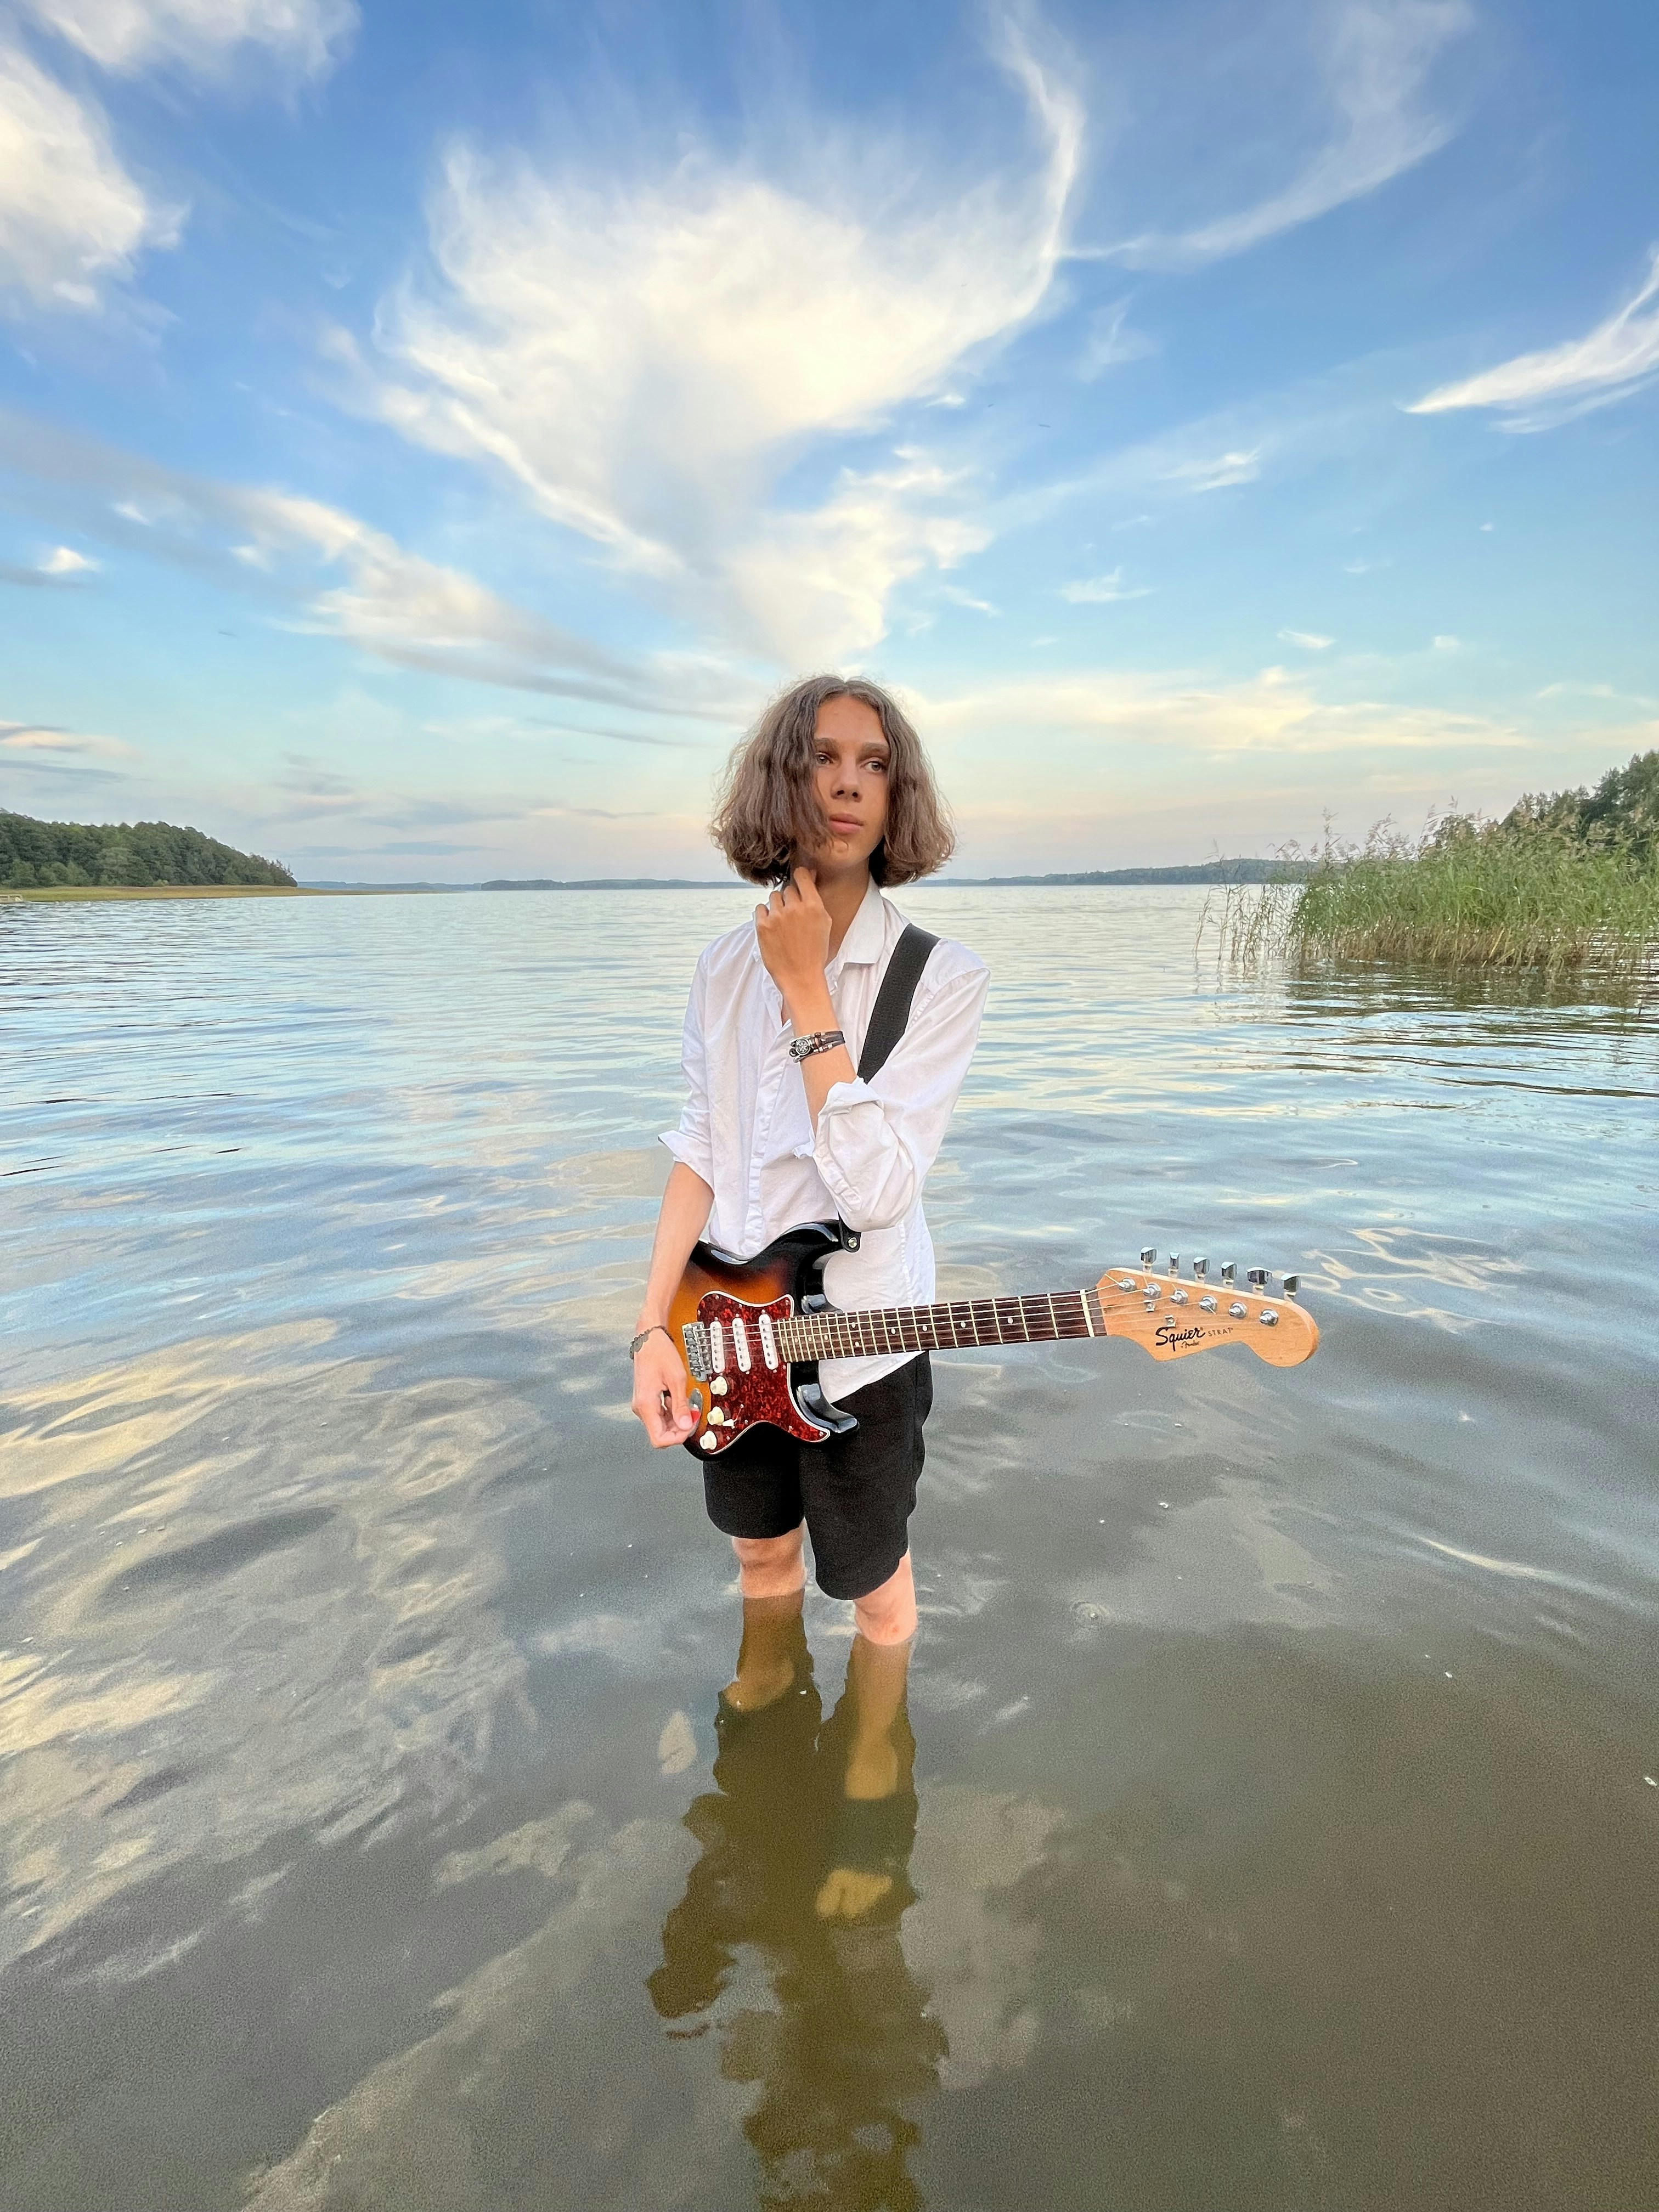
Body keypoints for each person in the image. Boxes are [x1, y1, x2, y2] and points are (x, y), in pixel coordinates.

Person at [629, 673, 989, 1654]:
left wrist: (806, 992)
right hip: (722, 1326)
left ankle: (875, 1768)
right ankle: (764, 1729)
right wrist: (649, 1331)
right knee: (758, 1557)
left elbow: (879, 1195)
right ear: (781, 784)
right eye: (824, 759)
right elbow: (699, 1154)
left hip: (865, 1342)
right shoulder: (717, 968)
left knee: (874, 1595)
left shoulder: (940, 978)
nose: (850, 784)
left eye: (875, 764)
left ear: (897, 796)